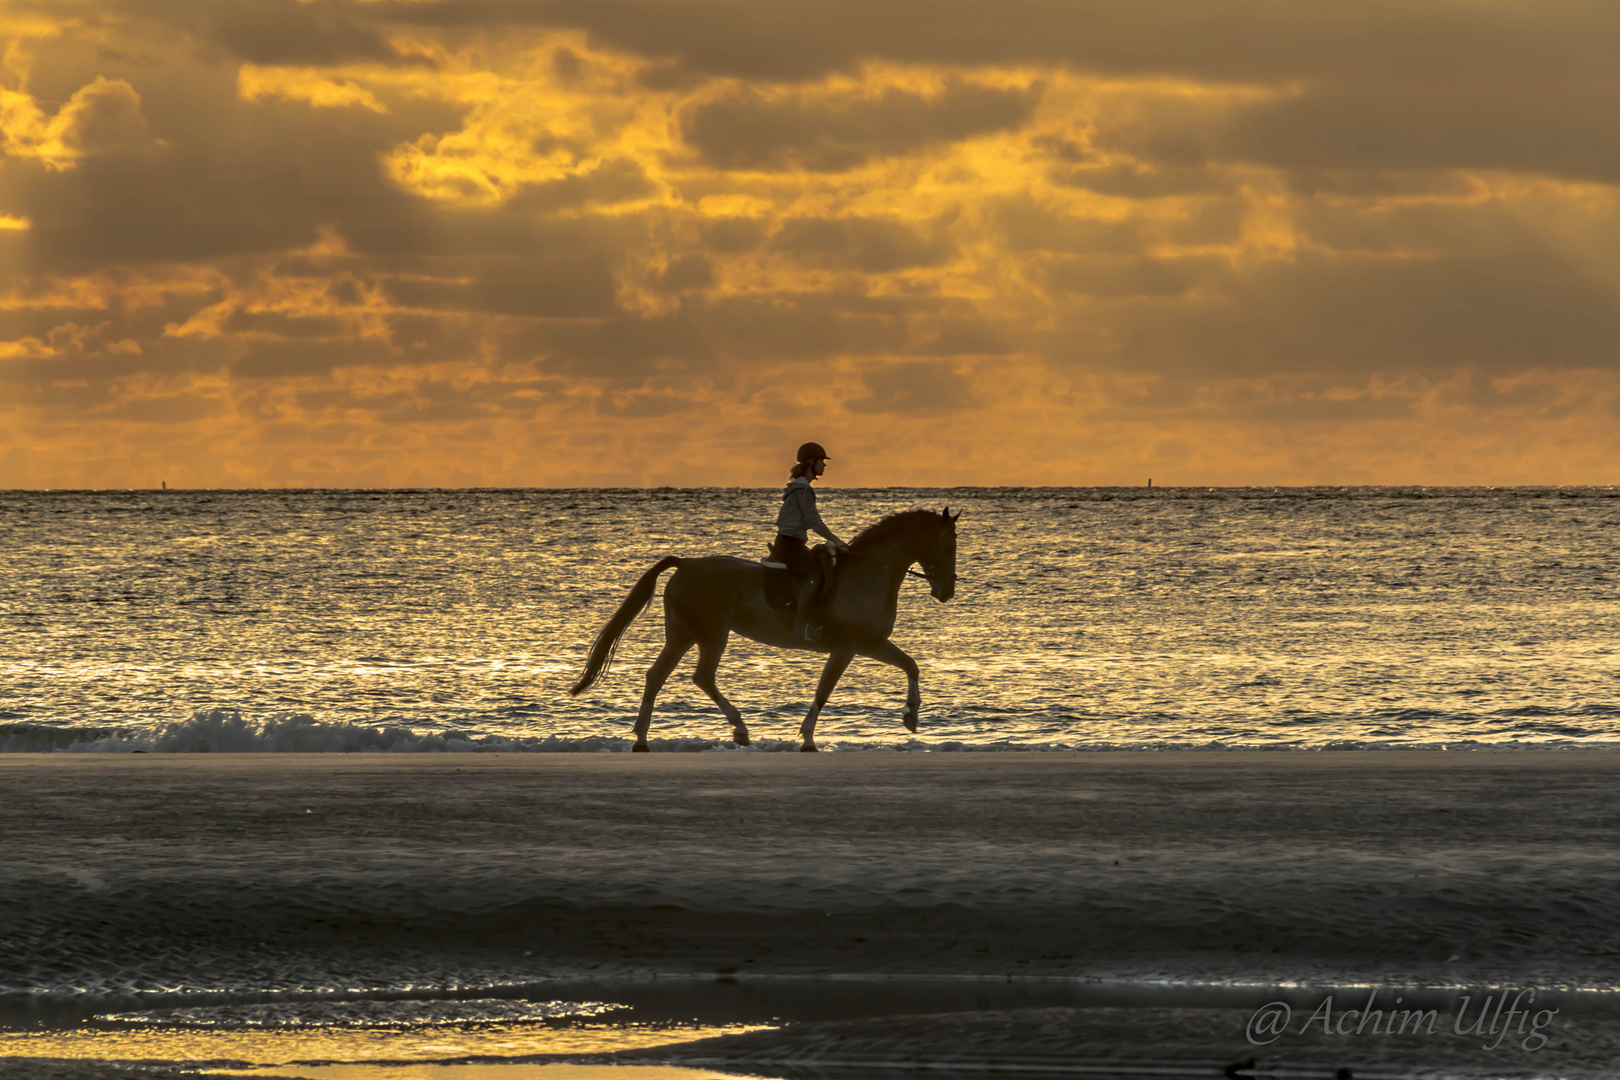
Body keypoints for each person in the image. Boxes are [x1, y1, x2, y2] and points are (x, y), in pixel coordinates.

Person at [773, 441, 849, 641]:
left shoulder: (798, 487)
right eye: (822, 461)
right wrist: (838, 541)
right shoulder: (804, 489)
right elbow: (813, 522)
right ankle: (803, 627)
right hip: (791, 545)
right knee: (815, 576)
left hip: (791, 542)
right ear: (811, 463)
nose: (824, 466)